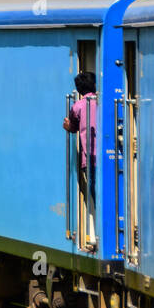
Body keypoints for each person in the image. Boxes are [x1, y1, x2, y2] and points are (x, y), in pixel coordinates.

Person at [62, 71, 98, 251]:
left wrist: (67, 126)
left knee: (95, 194)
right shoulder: (102, 102)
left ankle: (96, 234)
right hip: (107, 158)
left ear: (79, 89)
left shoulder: (78, 106)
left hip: (89, 160)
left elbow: (72, 126)